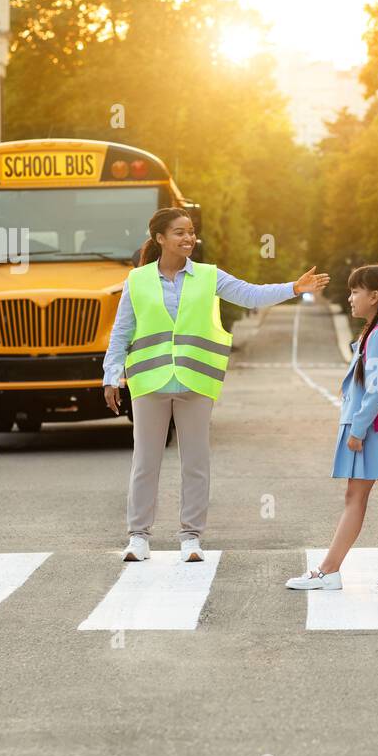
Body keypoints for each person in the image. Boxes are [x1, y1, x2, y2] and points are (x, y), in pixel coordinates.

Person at [103, 206, 329, 562]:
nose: (188, 238)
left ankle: (190, 537)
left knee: (195, 461)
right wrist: (111, 375)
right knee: (145, 462)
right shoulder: (138, 280)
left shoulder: (209, 276)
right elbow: (121, 332)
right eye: (179, 232)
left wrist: (294, 288)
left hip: (196, 379)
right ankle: (138, 537)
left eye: (191, 231)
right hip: (148, 381)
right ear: (160, 238)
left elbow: (250, 294)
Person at [286, 264, 378, 590]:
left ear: (375, 295)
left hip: (370, 430)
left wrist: (357, 430)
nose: (350, 298)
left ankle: (328, 570)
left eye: (355, 291)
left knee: (356, 496)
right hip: (375, 429)